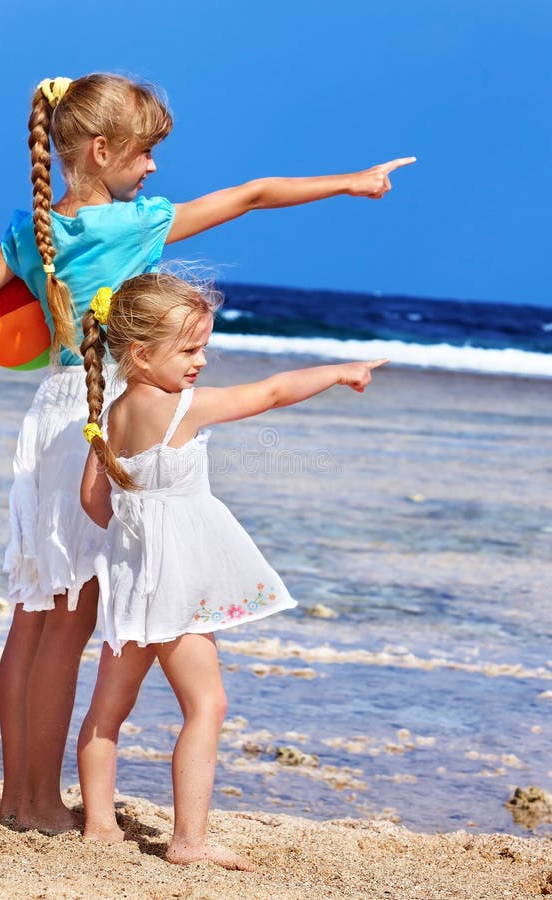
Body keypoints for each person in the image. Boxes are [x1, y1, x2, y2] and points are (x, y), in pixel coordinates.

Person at [0, 71, 413, 834]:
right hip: (104, 411)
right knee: (71, 618)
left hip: (51, 408)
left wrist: (37, 348)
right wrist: (353, 182)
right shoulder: (135, 226)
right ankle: (43, 807)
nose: (153, 168)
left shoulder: (32, 232)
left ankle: (18, 799)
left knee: (32, 614)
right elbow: (253, 194)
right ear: (100, 149)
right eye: (145, 152)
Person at [77, 272, 387, 868]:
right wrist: (340, 370)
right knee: (207, 706)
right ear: (141, 353)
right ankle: (188, 842)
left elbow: (95, 507)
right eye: (190, 349)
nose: (201, 361)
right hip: (178, 586)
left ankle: (98, 827)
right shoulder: (179, 410)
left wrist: (142, 511)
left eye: (203, 348)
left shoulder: (108, 413)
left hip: (132, 582)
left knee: (107, 711)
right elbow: (271, 393)